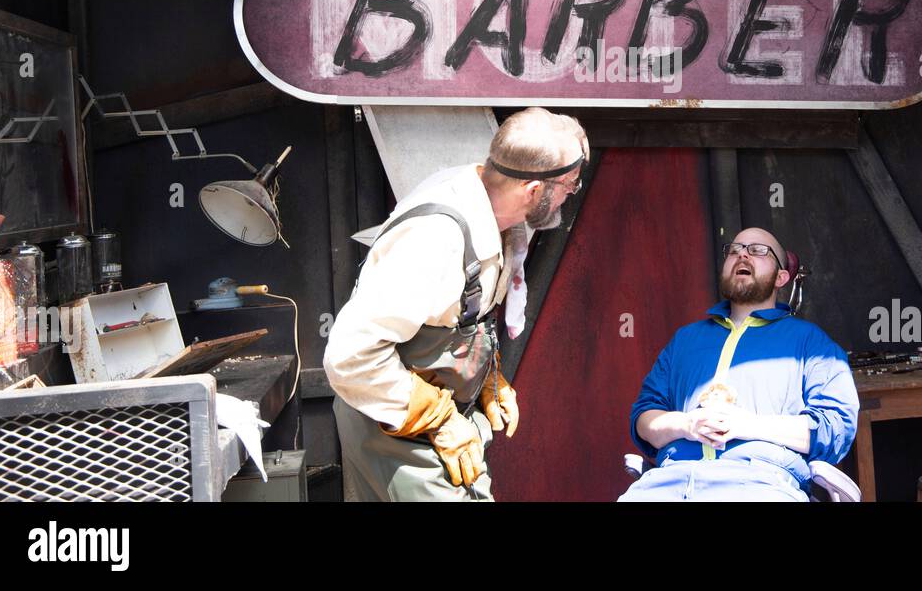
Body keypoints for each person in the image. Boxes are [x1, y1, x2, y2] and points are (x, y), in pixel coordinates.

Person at [324, 107, 587, 501]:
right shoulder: (434, 238)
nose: (570, 194)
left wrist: (486, 377)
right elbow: (351, 357)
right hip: (394, 425)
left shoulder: (497, 215)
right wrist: (441, 420)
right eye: (570, 184)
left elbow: (454, 316)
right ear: (534, 190)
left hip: (432, 417)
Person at [620, 227, 858, 502]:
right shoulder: (685, 339)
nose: (742, 254)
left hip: (761, 485)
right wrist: (688, 424)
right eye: (734, 250)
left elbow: (836, 427)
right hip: (667, 484)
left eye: (758, 250)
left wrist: (746, 425)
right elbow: (644, 417)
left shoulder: (812, 343)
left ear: (781, 277)